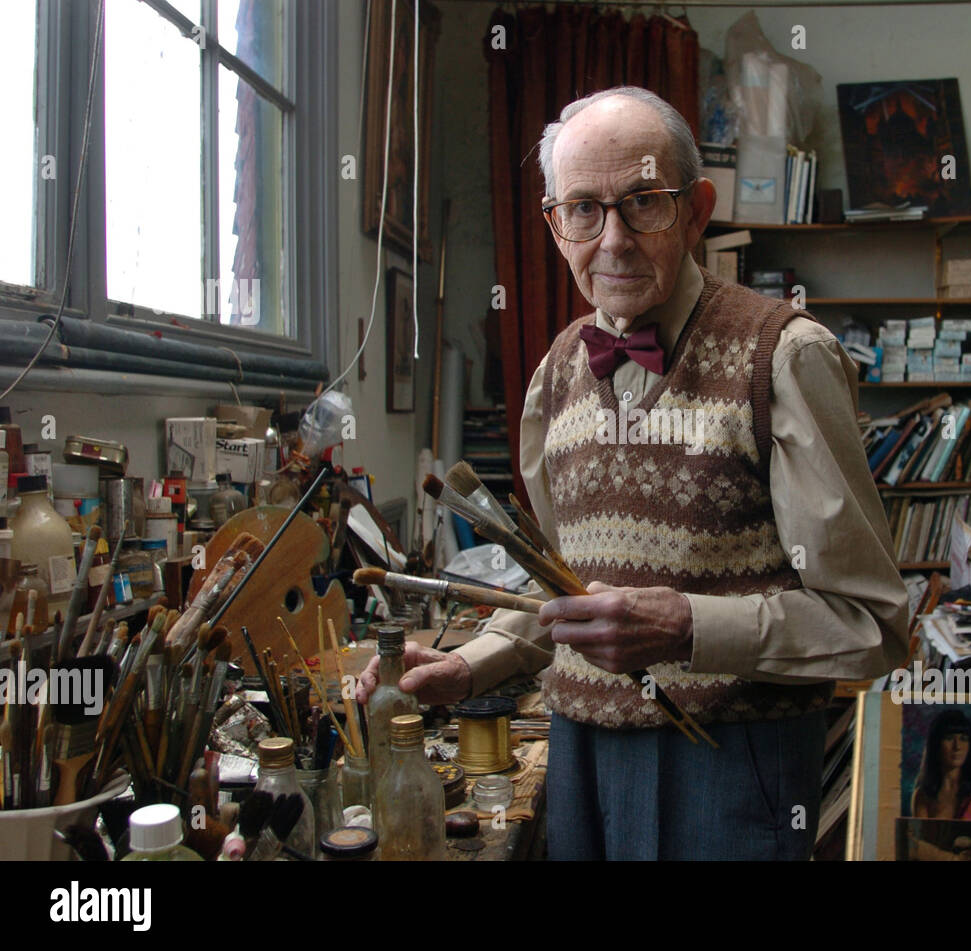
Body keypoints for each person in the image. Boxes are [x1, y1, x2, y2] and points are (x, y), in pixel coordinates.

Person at [357, 86, 908, 860]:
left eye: (643, 201)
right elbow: (559, 585)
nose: (612, 239)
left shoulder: (784, 356)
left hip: (733, 766)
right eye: (583, 209)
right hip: (580, 759)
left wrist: (688, 625)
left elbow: (872, 626)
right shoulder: (556, 372)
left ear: (697, 208)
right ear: (555, 224)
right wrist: (465, 663)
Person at [909, 709, 971, 821]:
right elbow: (920, 838)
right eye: (949, 738)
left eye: (963, 739)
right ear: (936, 744)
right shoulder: (922, 796)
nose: (957, 747)